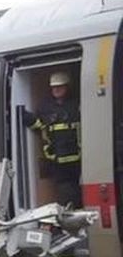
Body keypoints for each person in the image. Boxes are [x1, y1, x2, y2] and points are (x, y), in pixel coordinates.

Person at [25, 70, 82, 208]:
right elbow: (39, 125)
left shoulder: (77, 104)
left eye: (59, 86)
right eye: (53, 87)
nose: (56, 89)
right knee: (65, 192)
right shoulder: (45, 106)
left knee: (77, 190)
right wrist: (26, 117)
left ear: (67, 87)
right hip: (56, 159)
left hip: (78, 158)